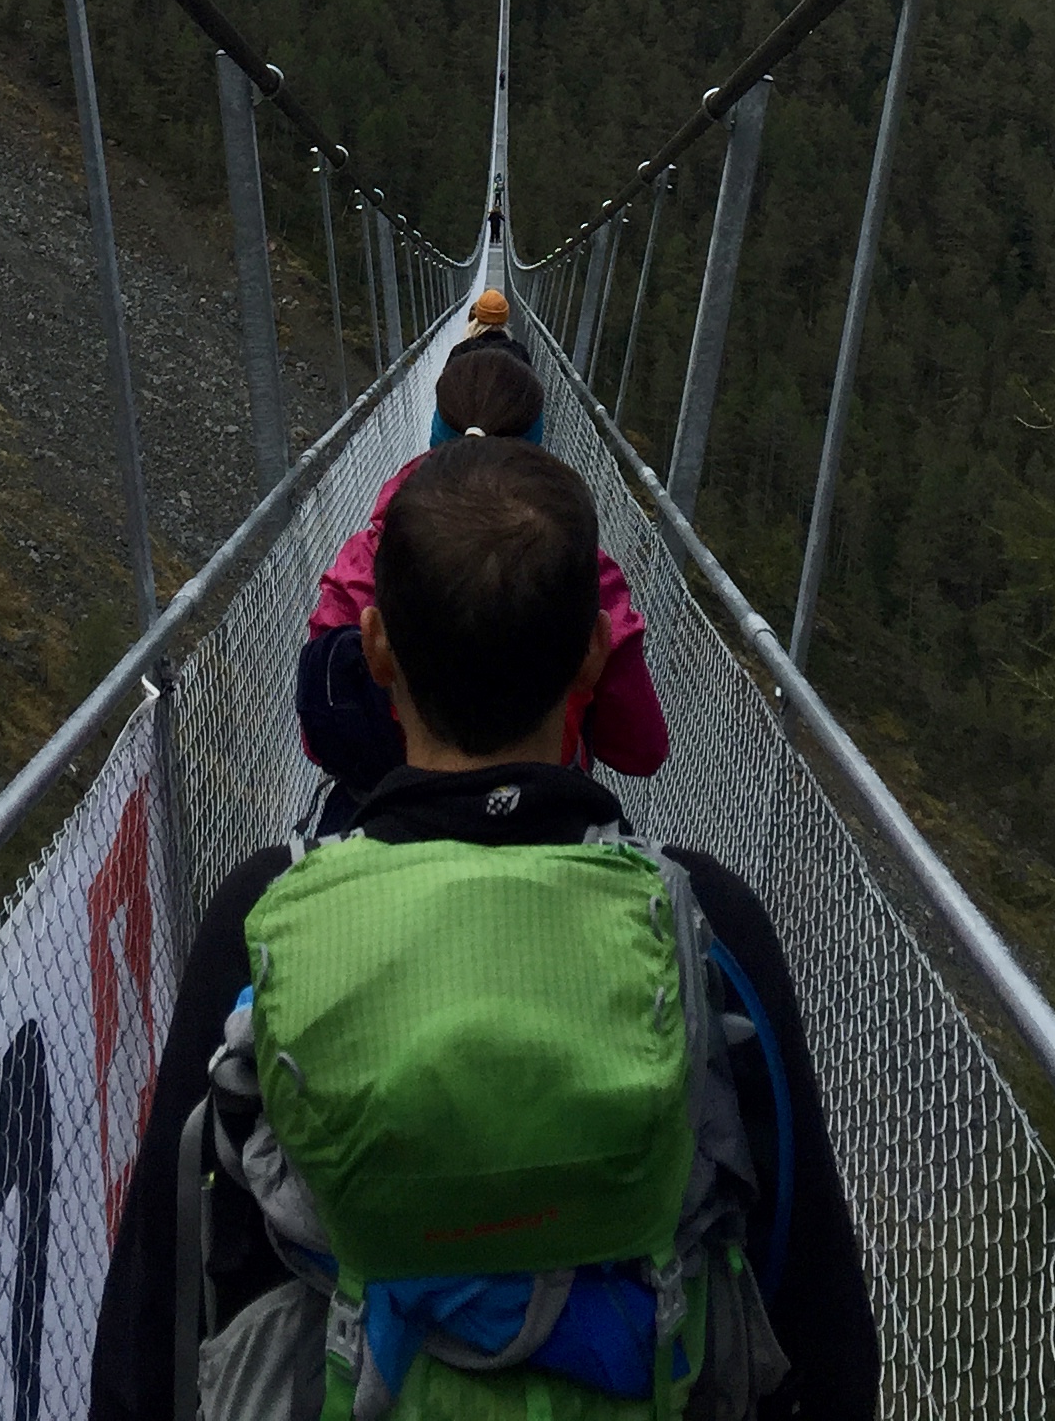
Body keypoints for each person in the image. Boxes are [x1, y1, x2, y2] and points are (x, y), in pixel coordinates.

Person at [89, 441, 877, 1420]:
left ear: (375, 649)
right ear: (595, 650)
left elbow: (155, 1316)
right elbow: (819, 1316)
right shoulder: (706, 923)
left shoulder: (265, 918)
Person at [297, 344, 666, 823]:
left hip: (380, 819)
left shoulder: (366, 560)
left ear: (375, 643)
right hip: (547, 824)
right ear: (592, 649)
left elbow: (320, 732)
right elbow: (641, 749)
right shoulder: (585, 572)